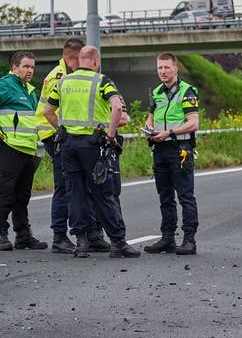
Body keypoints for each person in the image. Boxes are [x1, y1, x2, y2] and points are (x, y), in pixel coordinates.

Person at [41, 46, 139, 258]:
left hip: (68, 146)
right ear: (95, 61)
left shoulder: (63, 82)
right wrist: (111, 135)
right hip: (93, 145)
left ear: (79, 60)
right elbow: (117, 108)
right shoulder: (102, 81)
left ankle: (81, 242)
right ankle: (118, 242)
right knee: (103, 193)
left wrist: (61, 130)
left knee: (75, 193)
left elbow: (47, 111)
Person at [34, 38, 91, 254]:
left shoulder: (67, 73)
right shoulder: (58, 76)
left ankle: (76, 233)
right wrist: (62, 132)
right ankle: (59, 236)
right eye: (82, 59)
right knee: (64, 186)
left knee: (72, 184)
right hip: (53, 134)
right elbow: (50, 112)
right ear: (74, 58)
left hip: (60, 135)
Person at [141, 53, 200, 255]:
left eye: (166, 67)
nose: (163, 72)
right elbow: (150, 118)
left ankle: (189, 239)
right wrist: (149, 130)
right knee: (165, 196)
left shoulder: (187, 91)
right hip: (160, 148)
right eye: (160, 68)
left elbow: (194, 122)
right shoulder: (157, 92)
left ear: (176, 69)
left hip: (180, 148)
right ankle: (167, 238)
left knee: (185, 196)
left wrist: (170, 132)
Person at [0, 52, 48, 250]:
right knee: (4, 193)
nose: (30, 71)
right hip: (9, 148)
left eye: (32, 67)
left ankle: (23, 235)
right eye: (26, 66)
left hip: (28, 149)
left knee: (22, 196)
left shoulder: (29, 89)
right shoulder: (5, 84)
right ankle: (1, 234)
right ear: (14, 67)